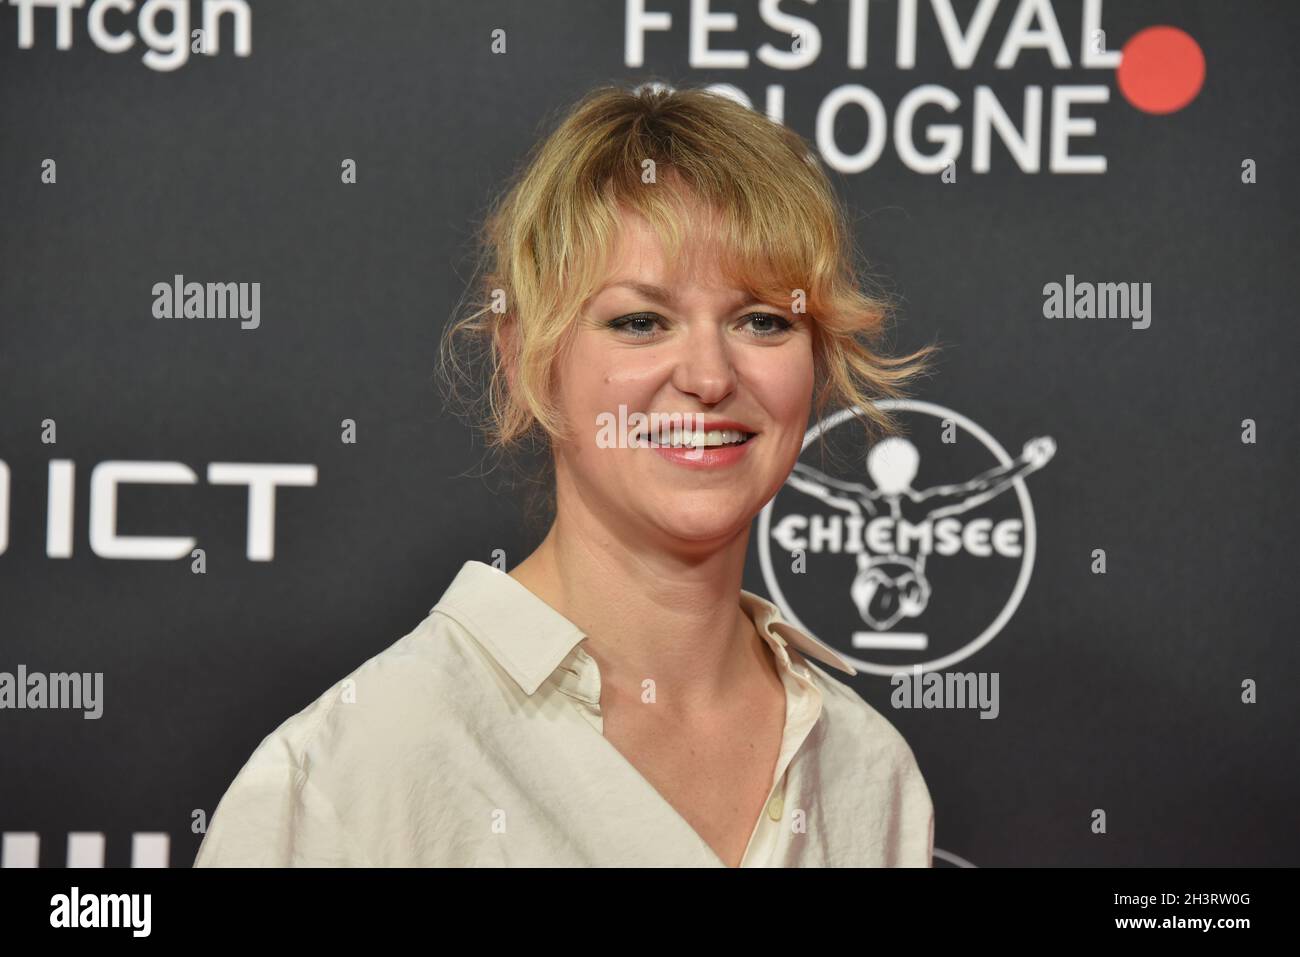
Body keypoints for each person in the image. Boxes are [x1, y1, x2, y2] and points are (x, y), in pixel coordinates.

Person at [194, 82, 938, 867]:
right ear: (527, 360)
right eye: (640, 321)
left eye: (762, 320)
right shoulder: (349, 772)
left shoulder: (869, 772)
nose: (710, 376)